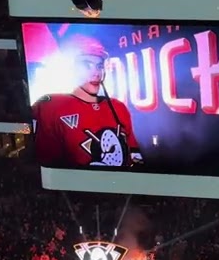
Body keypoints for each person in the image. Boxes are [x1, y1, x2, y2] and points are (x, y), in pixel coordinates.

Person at [31, 34, 144, 169]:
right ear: (71, 67)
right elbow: (44, 167)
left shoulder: (118, 107)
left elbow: (134, 157)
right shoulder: (49, 106)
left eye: (99, 66)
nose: (96, 73)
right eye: (87, 65)